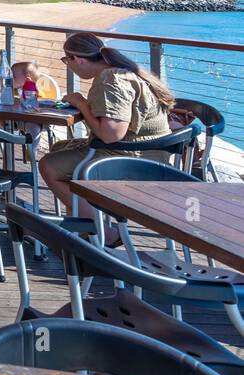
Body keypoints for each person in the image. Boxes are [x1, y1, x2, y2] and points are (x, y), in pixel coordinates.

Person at [38, 32, 176, 242]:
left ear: (79, 59)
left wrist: (81, 104)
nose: (69, 66)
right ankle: (84, 226)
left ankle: (105, 233)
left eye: (67, 60)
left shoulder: (110, 79)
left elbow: (111, 134)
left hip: (133, 161)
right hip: (151, 154)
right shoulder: (123, 72)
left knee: (49, 166)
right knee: (59, 148)